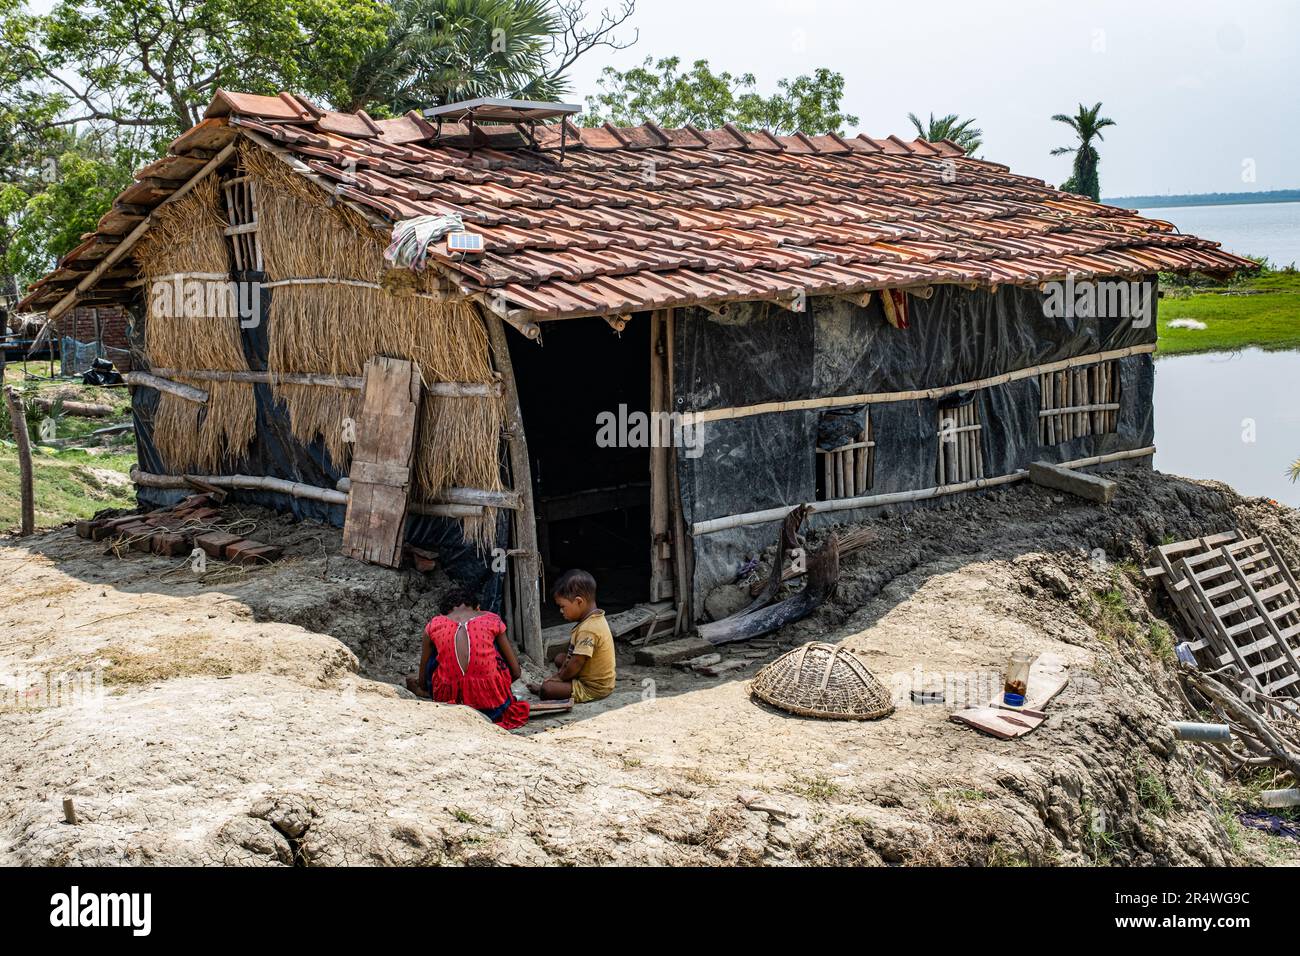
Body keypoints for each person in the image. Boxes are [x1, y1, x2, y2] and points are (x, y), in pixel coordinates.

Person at [405, 587, 529, 729]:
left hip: (451, 708)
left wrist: (424, 687)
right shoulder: (491, 619)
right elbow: (516, 672)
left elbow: (422, 680)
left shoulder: (434, 624)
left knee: (437, 652)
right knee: (491, 646)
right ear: (477, 608)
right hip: (494, 708)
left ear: (444, 613)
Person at [529, 569, 616, 704]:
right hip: (587, 673)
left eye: (563, 606)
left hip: (593, 688)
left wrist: (559, 677)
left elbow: (577, 662)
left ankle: (553, 688)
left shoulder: (589, 629)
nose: (561, 611)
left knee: (547, 689)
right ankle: (564, 683)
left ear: (578, 601)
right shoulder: (593, 619)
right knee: (559, 658)